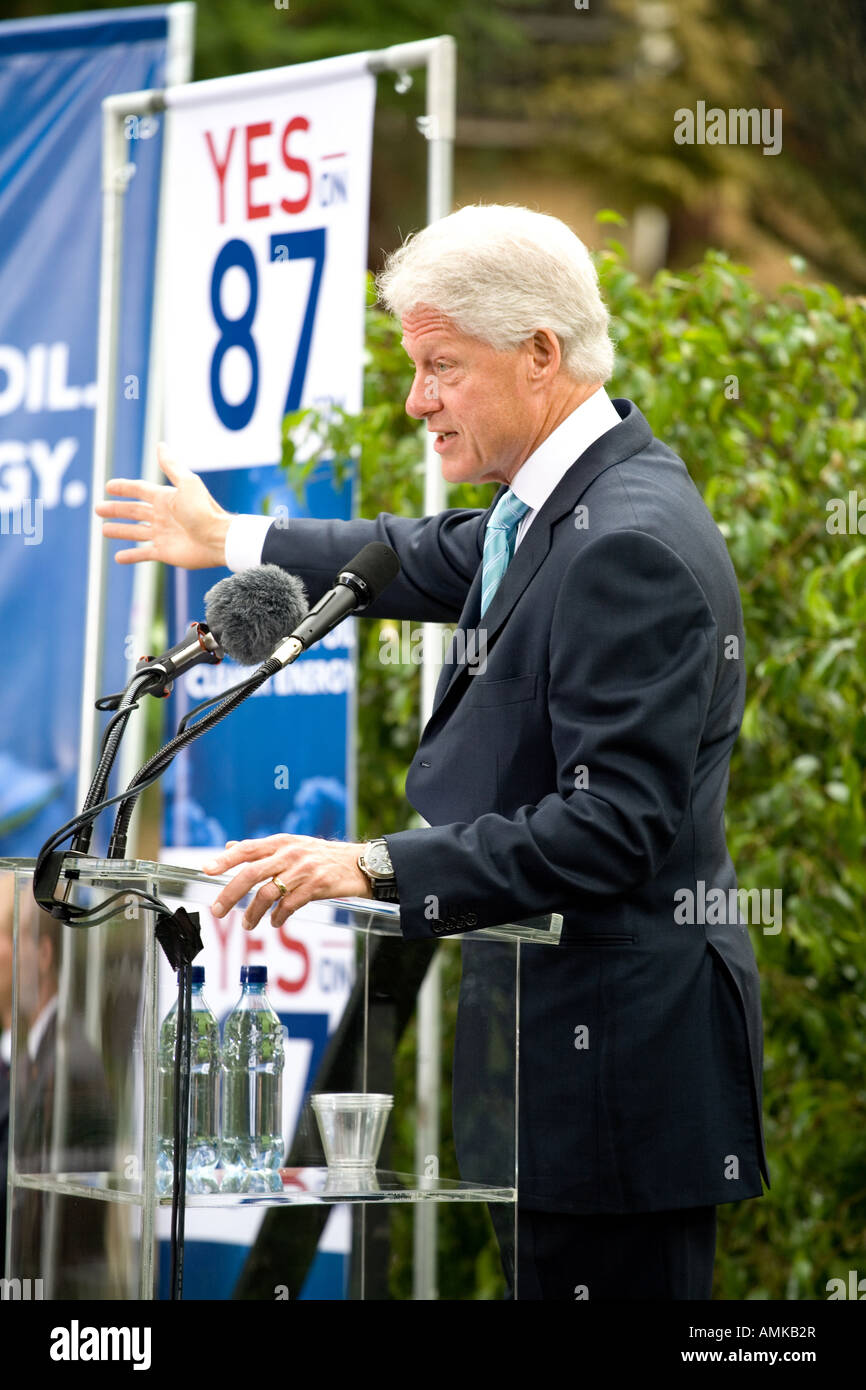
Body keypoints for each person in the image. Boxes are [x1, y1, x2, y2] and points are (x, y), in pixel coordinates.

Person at [97, 203, 770, 1300]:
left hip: (616, 1091)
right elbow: (414, 555)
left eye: (439, 367)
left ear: (539, 356)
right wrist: (226, 539)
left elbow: (614, 824)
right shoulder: (556, 511)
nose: (417, 402)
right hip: (557, 1075)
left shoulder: (627, 543)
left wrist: (369, 865)